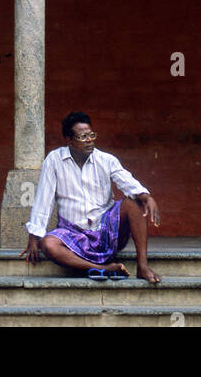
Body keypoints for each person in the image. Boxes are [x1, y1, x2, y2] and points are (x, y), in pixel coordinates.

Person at [21, 110, 162, 283]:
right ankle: (103, 269)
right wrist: (34, 236)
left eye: (91, 135)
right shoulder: (54, 160)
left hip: (106, 231)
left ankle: (142, 266)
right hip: (73, 233)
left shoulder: (106, 160)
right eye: (82, 137)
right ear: (69, 141)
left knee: (134, 204)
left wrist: (147, 196)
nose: (89, 141)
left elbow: (127, 182)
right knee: (49, 244)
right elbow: (44, 199)